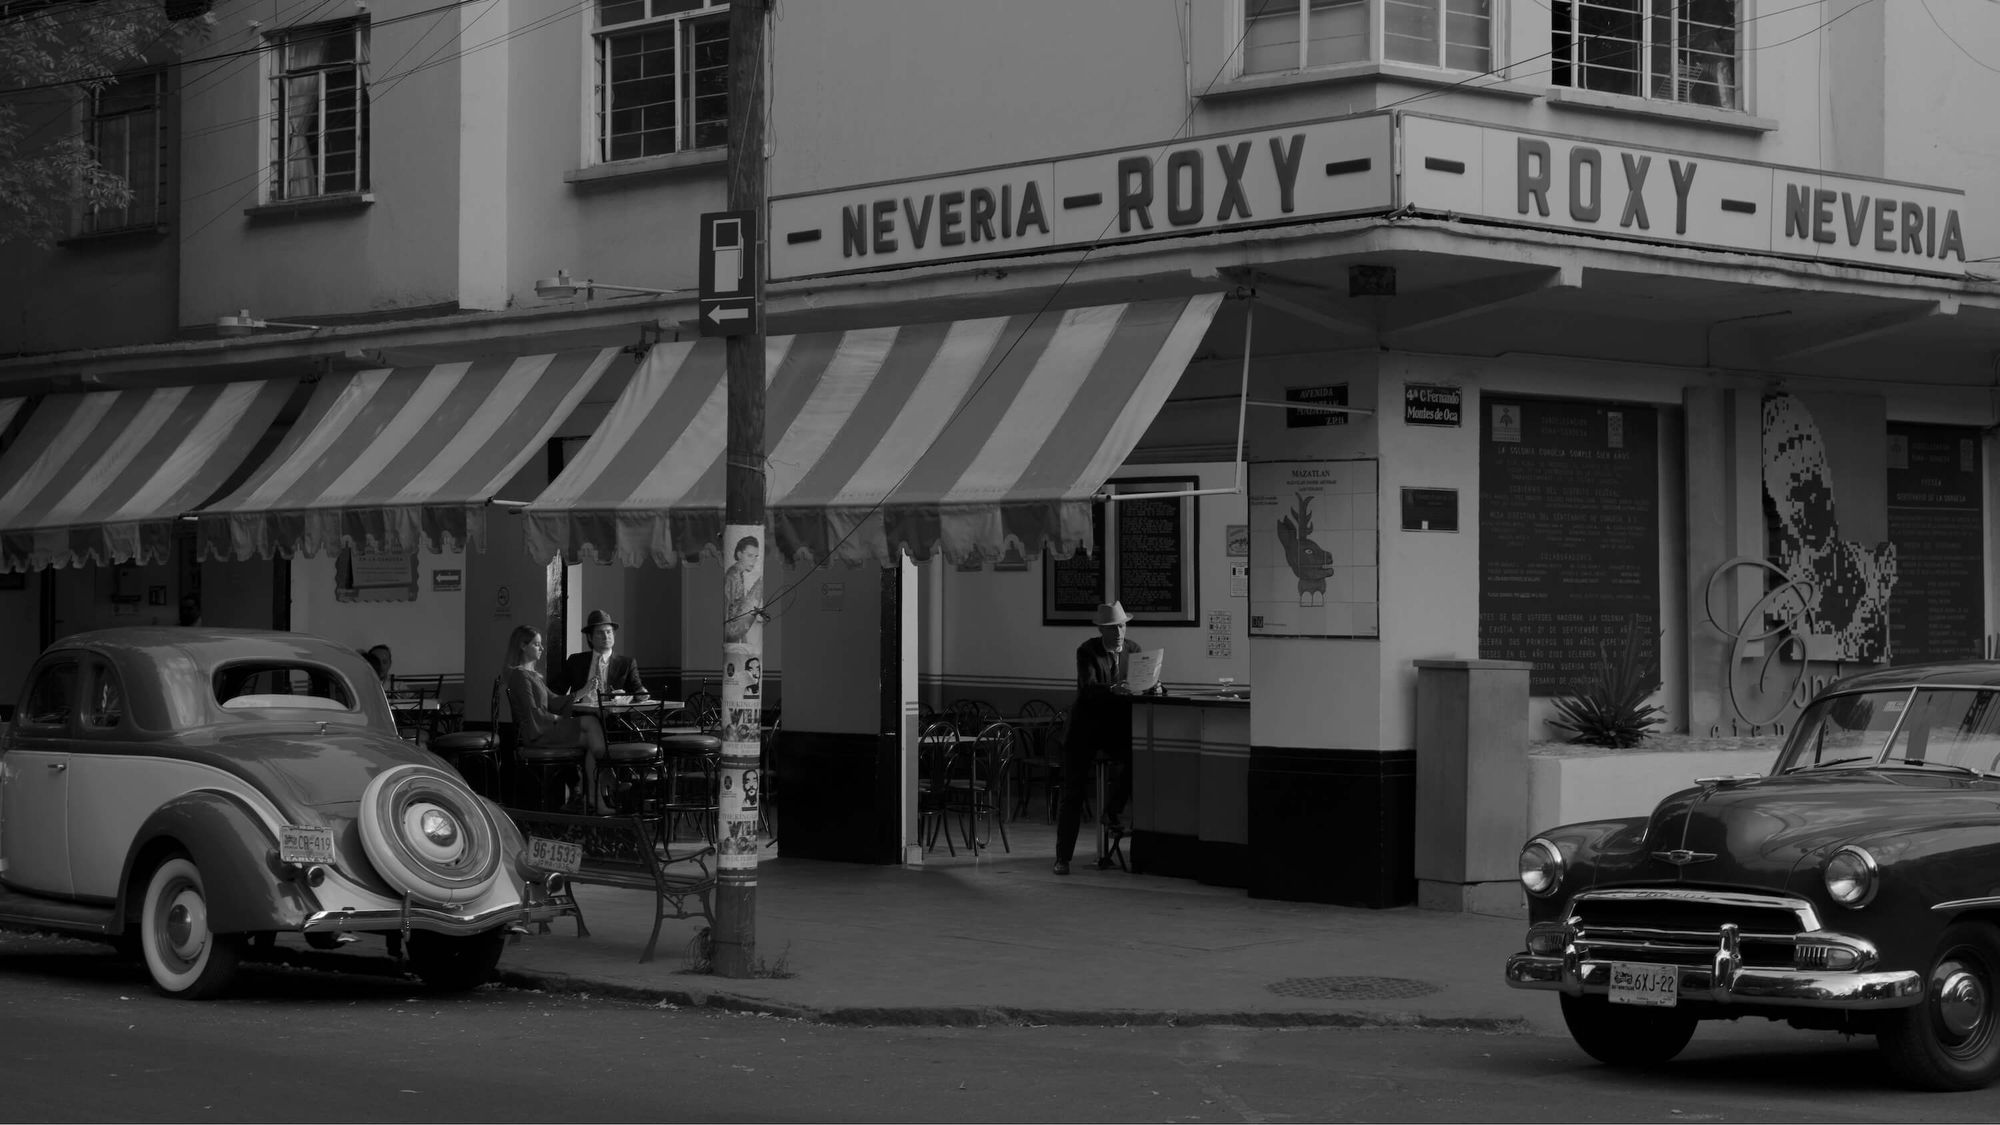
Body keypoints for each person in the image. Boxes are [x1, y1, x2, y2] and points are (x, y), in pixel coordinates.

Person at [1054, 601, 1137, 876]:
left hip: (1114, 730)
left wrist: (1153, 685)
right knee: (1073, 794)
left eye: (1122, 626)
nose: (1119, 633)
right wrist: (1114, 688)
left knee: (1139, 760)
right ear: (1102, 629)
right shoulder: (1088, 651)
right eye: (1113, 628)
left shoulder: (1134, 650)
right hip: (1084, 731)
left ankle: (1111, 811)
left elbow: (1140, 681)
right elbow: (1087, 688)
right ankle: (1062, 858)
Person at [503, 625, 610, 813]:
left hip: (546, 727)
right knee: (592, 723)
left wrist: (583, 691)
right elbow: (533, 712)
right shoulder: (520, 676)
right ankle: (608, 781)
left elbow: (554, 700)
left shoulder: (532, 675)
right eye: (536, 645)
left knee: (592, 742)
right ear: (522, 646)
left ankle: (595, 797)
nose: (541, 648)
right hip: (538, 732)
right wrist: (559, 719)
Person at [554, 609, 647, 705]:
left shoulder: (627, 663)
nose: (606, 637)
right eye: (600, 633)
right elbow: (556, 692)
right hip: (581, 715)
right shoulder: (575, 661)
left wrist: (639, 695)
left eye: (609, 632)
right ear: (590, 637)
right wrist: (578, 695)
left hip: (614, 717)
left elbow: (638, 690)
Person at [723, 535, 762, 644]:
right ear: (739, 555)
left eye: (756, 556)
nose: (753, 561)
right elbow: (727, 607)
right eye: (750, 556)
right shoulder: (732, 575)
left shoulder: (739, 574)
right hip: (732, 632)